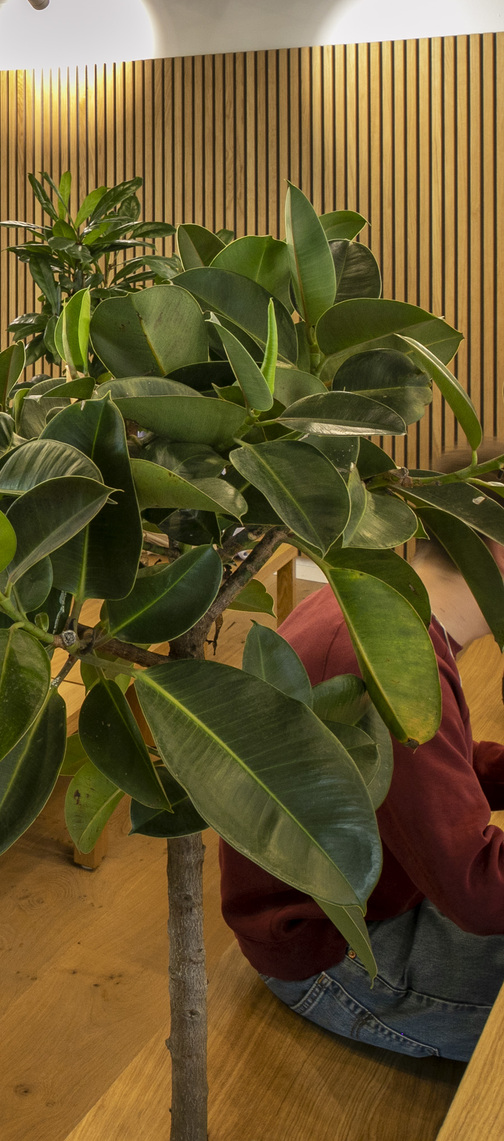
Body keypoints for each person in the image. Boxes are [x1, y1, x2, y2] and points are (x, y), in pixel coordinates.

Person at [219, 442, 504, 1063]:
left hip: (368, 901)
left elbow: (424, 773)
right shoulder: (392, 666)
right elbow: (479, 892)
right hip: (337, 956)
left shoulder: (373, 599)